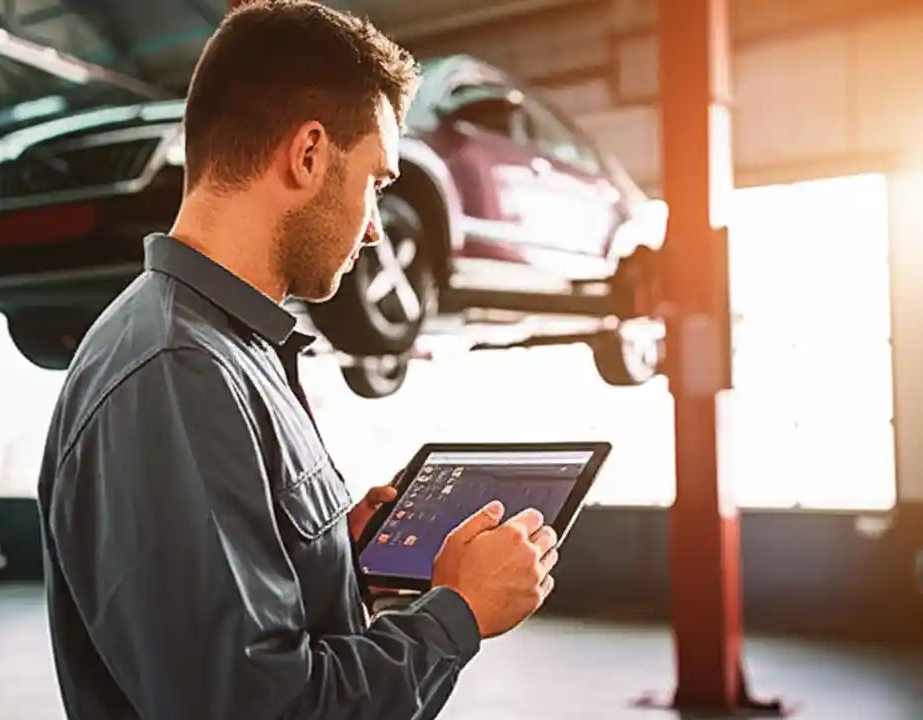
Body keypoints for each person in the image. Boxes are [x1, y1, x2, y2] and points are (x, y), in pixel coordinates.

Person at [36, 2, 560, 718]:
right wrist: (457, 614)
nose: (375, 227)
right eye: (375, 181)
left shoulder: (230, 348)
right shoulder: (177, 370)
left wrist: (333, 560)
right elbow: (260, 709)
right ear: (309, 154)